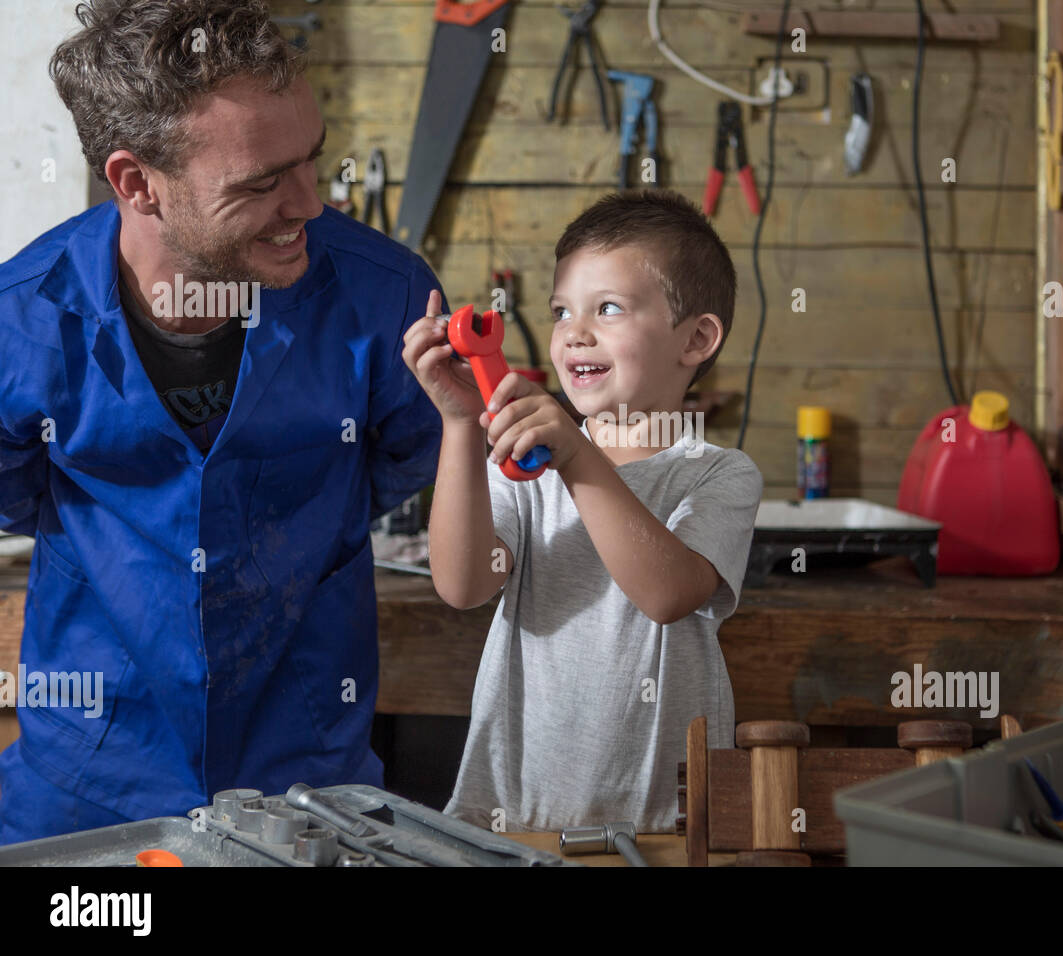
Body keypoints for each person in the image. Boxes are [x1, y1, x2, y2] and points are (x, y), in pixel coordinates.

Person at [0, 0, 443, 843]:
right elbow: (13, 499)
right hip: (84, 784)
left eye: (310, 161)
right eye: (262, 182)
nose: (309, 204)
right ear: (137, 184)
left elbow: (405, 464)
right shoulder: (18, 323)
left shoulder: (386, 299)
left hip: (314, 790)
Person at [403, 190, 762, 832]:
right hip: (517, 816)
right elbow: (462, 585)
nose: (575, 332)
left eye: (610, 308)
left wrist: (574, 456)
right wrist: (460, 425)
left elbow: (668, 593)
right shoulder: (527, 465)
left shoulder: (718, 474)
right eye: (562, 310)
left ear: (697, 338)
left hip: (664, 827)